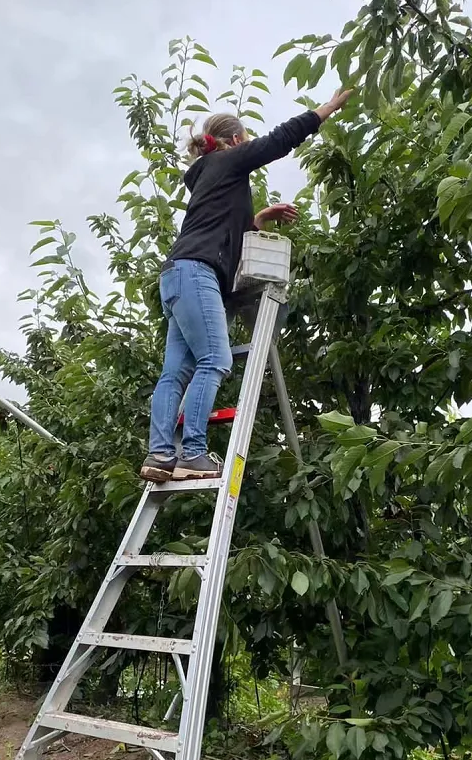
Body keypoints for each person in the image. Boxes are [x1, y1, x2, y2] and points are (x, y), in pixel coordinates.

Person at [140, 88, 353, 483]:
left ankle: (160, 454)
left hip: (176, 275)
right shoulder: (229, 160)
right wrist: (327, 109)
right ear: (237, 140)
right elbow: (280, 140)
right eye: (246, 139)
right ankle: (193, 453)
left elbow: (228, 233)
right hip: (197, 274)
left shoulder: (210, 178)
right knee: (216, 360)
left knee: (176, 372)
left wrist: (260, 218)